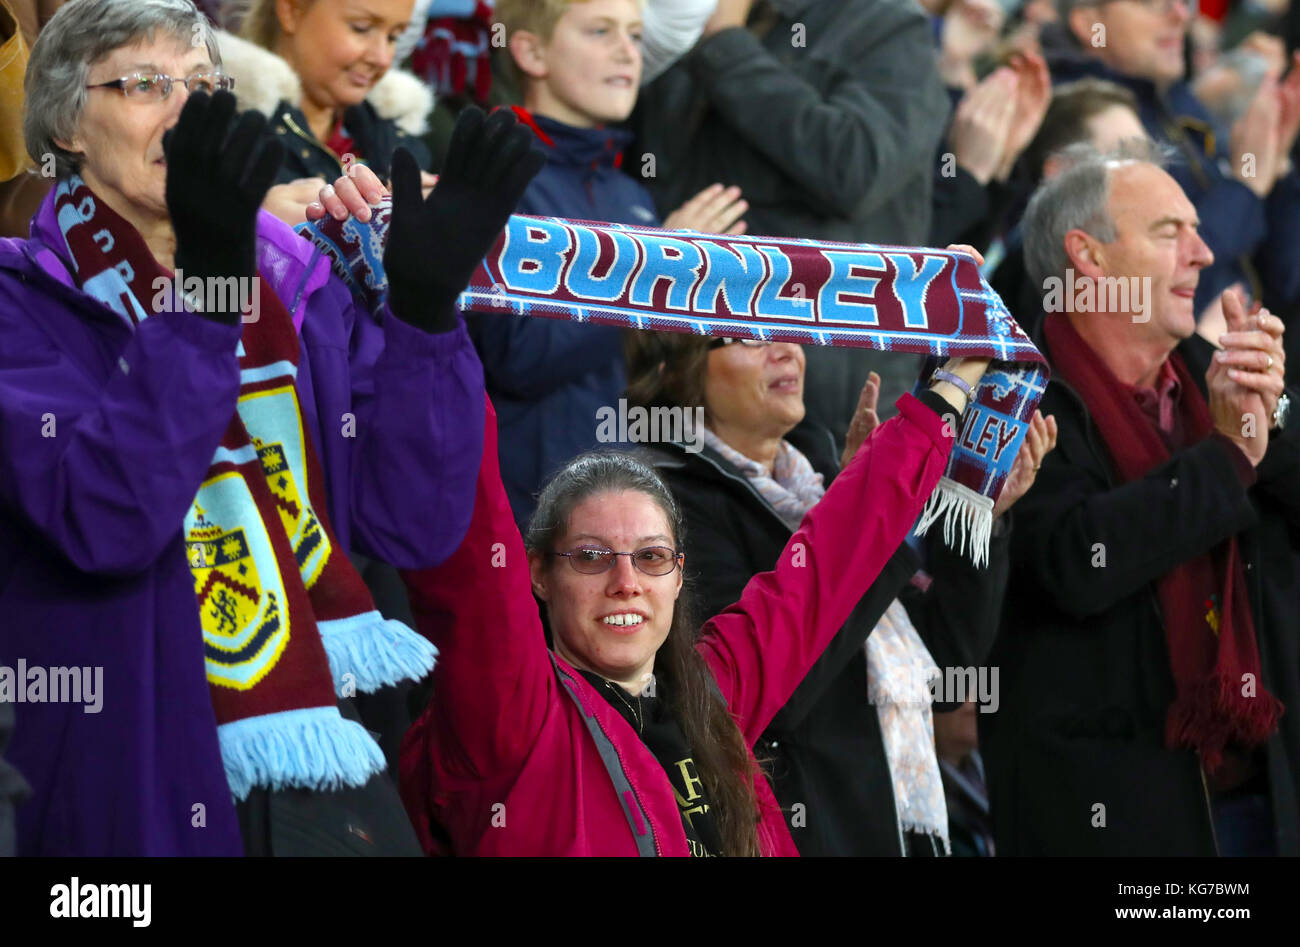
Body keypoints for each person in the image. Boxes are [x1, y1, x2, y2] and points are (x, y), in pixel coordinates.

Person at [0, 0, 536, 855]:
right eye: (146, 85)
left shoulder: (292, 289)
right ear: (65, 123)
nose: (187, 111)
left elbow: (413, 522)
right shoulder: (20, 303)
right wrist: (206, 298)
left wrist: (425, 316)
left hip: (321, 763)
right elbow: (105, 514)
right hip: (126, 783)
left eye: (207, 87)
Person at [398, 350, 993, 855]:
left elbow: (831, 563)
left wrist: (952, 385)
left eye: (651, 557)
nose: (626, 581)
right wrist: (425, 325)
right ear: (537, 575)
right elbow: (470, 560)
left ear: (679, 576)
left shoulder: (714, 690)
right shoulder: (513, 716)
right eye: (591, 556)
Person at [623, 322, 1054, 855]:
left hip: (887, 821)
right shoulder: (665, 509)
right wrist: (864, 522)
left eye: (784, 328)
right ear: (675, 372)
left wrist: (981, 512)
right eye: (750, 338)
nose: (786, 349)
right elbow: (768, 695)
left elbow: (945, 649)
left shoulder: (820, 473)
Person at [982, 144, 1300, 855]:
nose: (1203, 251)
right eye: (1169, 232)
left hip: (1259, 799)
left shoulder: (1204, 381)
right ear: (1088, 257)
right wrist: (1224, 455)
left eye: (1196, 228)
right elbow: (1074, 562)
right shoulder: (1010, 397)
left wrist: (1269, 413)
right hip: (1109, 822)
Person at [478, 0, 747, 527]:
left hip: (622, 505)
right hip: (528, 515)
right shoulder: (495, 175)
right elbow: (517, 355)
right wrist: (654, 264)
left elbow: (640, 368)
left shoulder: (629, 193)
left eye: (635, 35)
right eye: (600, 31)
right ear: (531, 51)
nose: (627, 51)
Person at [636, 0, 952, 450]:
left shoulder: (886, 26)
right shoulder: (693, 19)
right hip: (686, 381)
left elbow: (855, 167)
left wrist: (726, 47)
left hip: (825, 399)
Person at [1049, 0, 1300, 331]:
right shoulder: (1083, 119)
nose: (1179, 15)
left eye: (1183, 2)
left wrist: (1277, 166)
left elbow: (1285, 282)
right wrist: (1247, 185)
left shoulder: (1172, 98)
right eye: (1153, 4)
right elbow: (1150, 278)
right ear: (1089, 23)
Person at [224, 0, 437, 224]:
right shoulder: (222, 136)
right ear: (291, 10)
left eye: (393, 37)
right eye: (361, 28)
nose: (383, 58)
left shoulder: (397, 136)